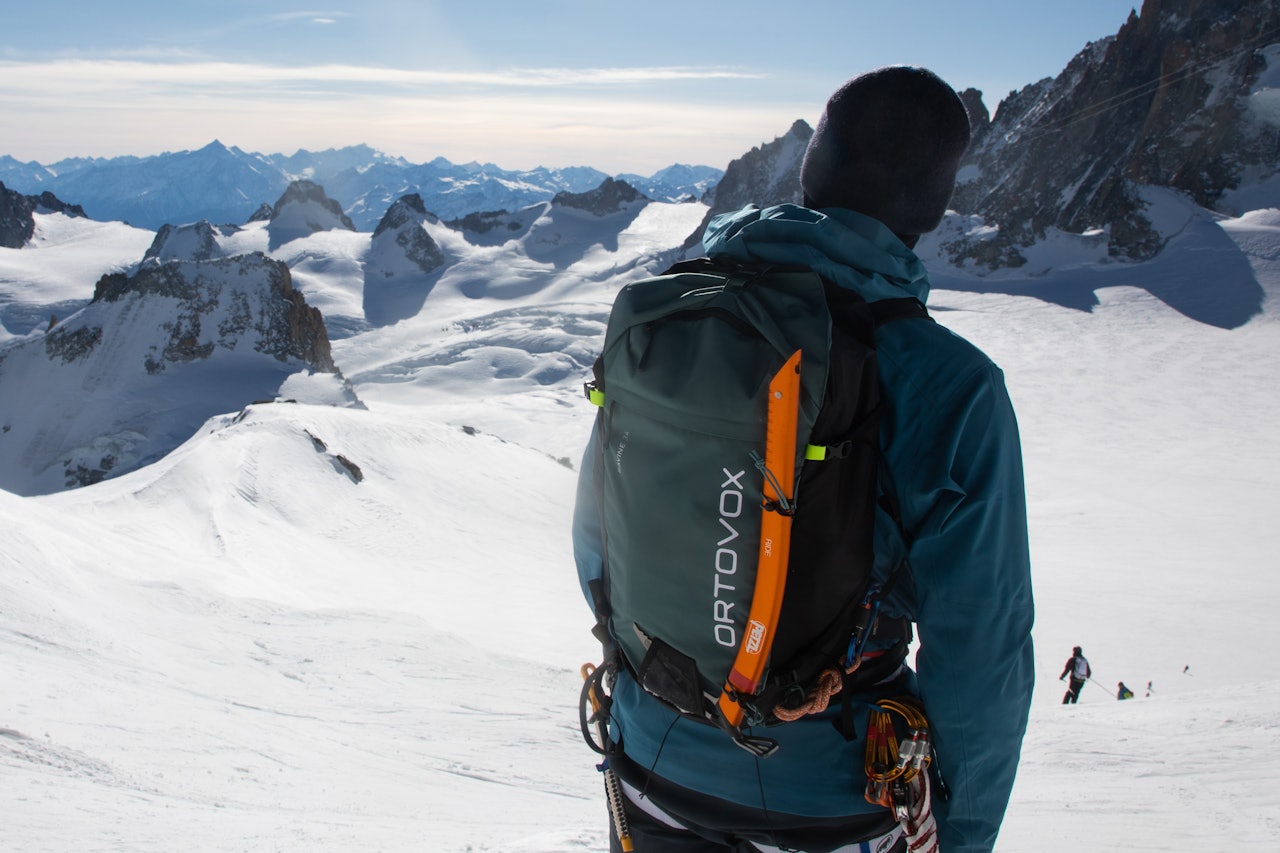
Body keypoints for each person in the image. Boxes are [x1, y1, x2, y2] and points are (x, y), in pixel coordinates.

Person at [573, 66, 1035, 853]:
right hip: (833, 799)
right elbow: (981, 653)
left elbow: (599, 536)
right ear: (932, 205)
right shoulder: (952, 387)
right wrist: (960, 837)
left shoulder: (679, 310)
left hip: (652, 767)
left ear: (810, 168)